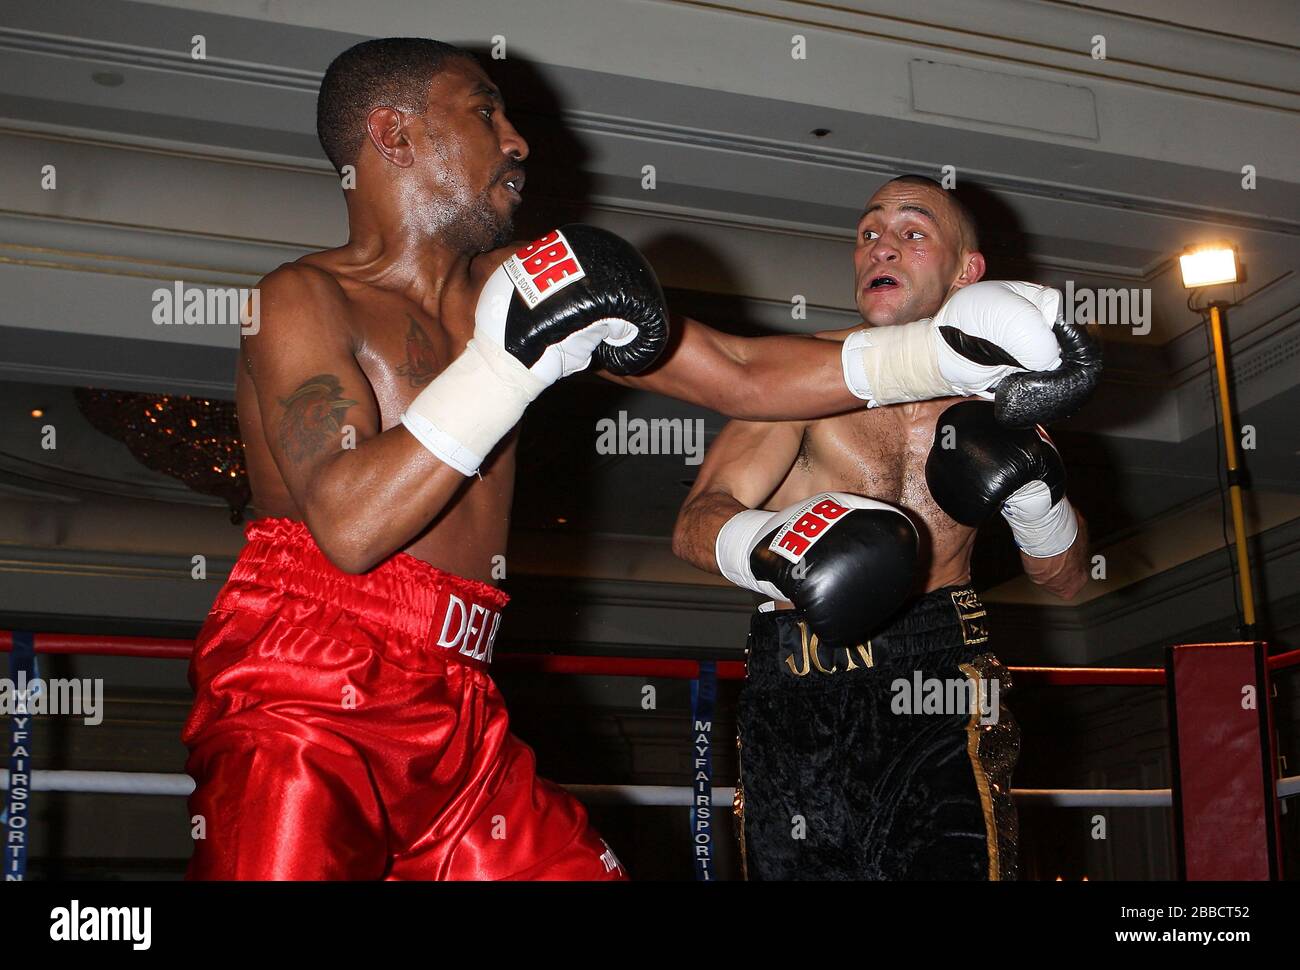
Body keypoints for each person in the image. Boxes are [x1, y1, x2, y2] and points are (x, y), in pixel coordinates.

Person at [183, 35, 1092, 880]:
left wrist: (942, 353)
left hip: (460, 691)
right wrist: (504, 369)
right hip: (305, 687)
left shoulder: (523, 279)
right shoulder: (299, 298)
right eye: (484, 111)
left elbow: (738, 372)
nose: (518, 142)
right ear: (394, 134)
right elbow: (347, 526)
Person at [672, 175, 1094, 880]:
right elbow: (694, 522)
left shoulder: (1007, 403)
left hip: (944, 679)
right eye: (869, 234)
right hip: (800, 682)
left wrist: (1037, 502)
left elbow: (1070, 580)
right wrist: (775, 546)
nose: (881, 247)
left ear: (968, 272)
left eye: (911, 231)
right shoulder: (798, 377)